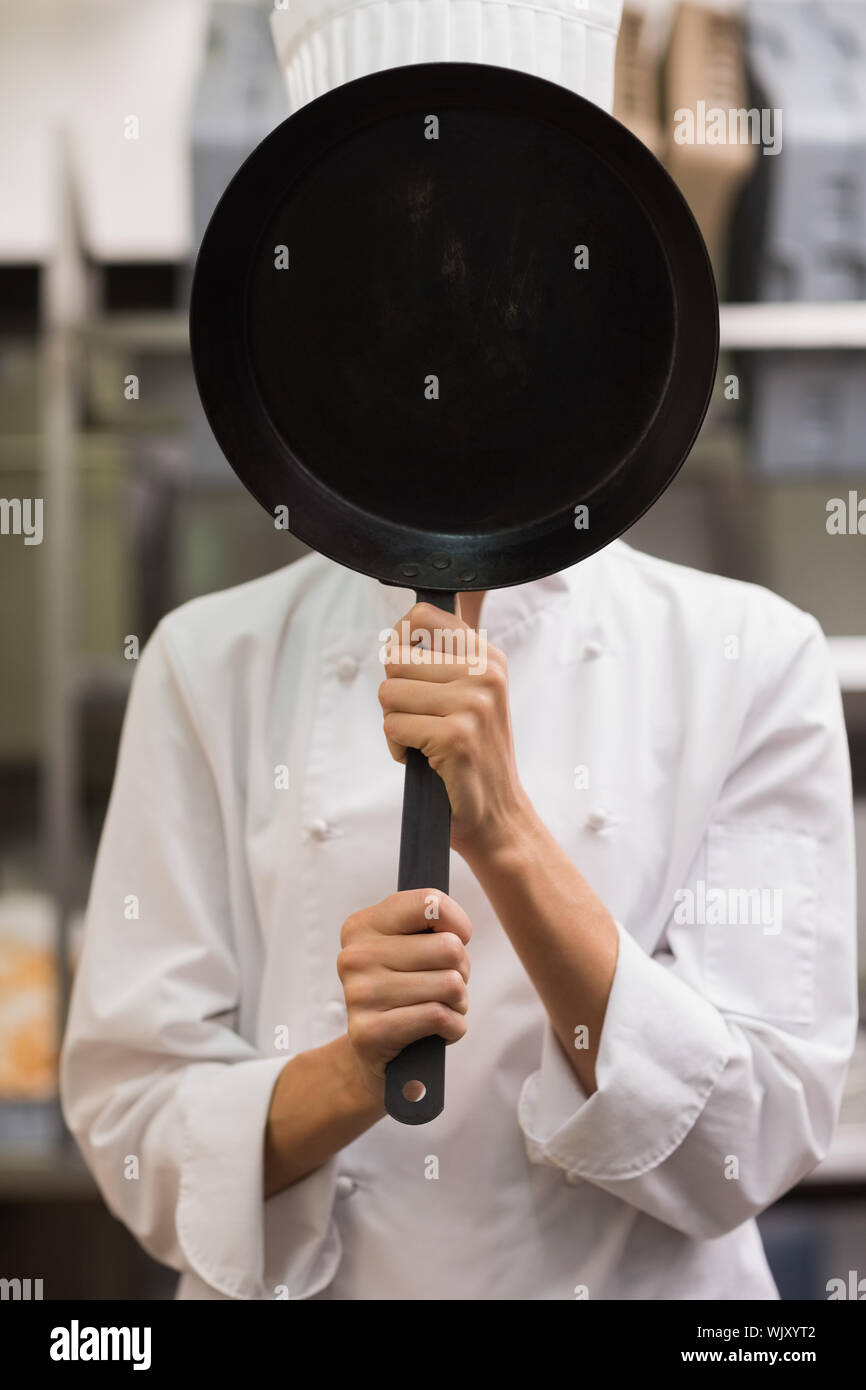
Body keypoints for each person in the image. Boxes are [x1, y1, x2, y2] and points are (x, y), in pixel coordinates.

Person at [60, 0, 857, 1301]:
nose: (452, 303)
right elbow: (132, 1118)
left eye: (496, 251)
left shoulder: (750, 662)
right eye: (400, 251)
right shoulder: (209, 665)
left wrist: (503, 832)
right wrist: (347, 1073)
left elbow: (753, 1140)